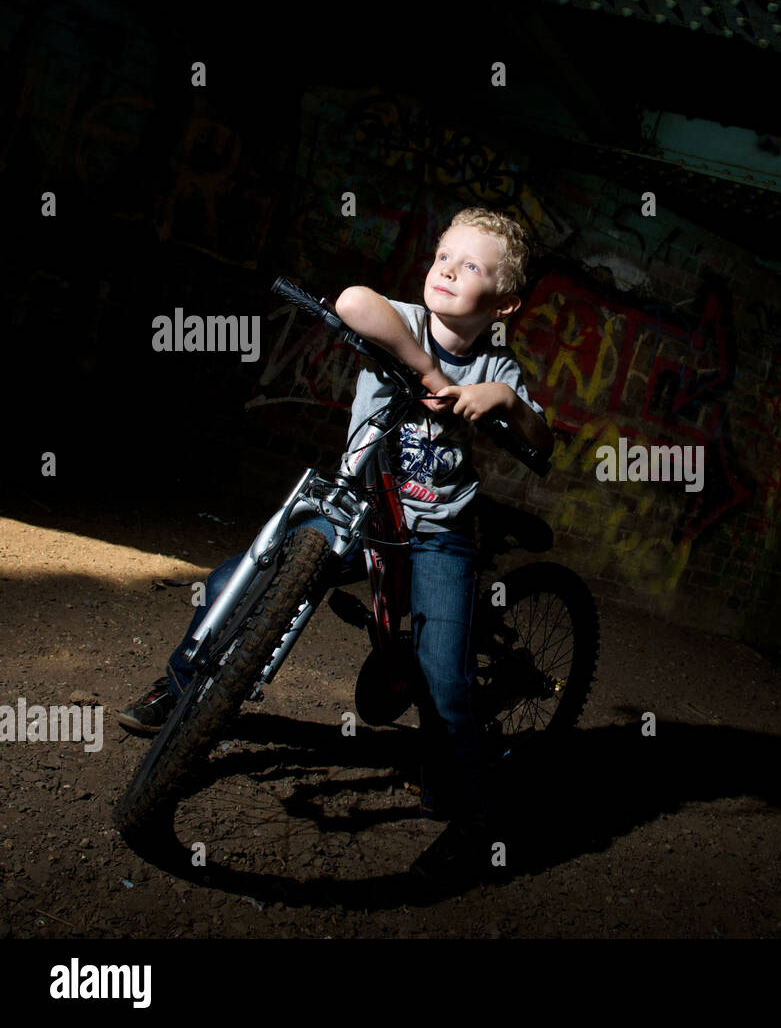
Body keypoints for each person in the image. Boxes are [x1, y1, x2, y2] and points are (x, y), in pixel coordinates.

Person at [116, 207, 552, 877]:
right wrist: (434, 380)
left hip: (436, 533)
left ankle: (466, 806)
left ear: (504, 302)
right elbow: (352, 303)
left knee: (445, 673)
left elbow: (540, 438)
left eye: (471, 268)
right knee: (243, 577)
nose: (446, 271)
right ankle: (179, 684)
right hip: (358, 510)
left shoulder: (500, 365)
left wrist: (501, 398)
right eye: (442, 256)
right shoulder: (404, 320)